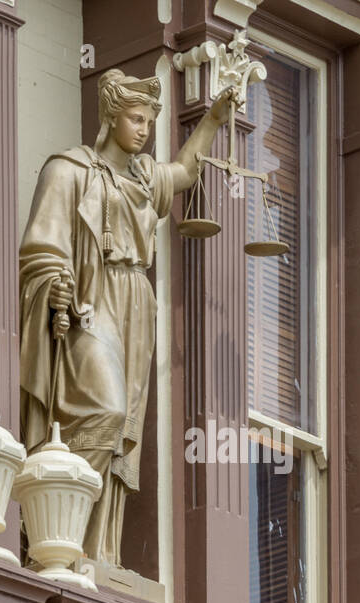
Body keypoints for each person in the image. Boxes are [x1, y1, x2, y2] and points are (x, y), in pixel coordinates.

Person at [18, 69, 239, 566]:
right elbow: (40, 246)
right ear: (111, 117)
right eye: (135, 119)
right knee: (103, 409)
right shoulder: (69, 170)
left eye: (149, 122)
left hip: (137, 303)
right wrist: (57, 281)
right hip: (91, 300)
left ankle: (98, 550)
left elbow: (184, 171)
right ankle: (57, 531)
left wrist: (213, 119)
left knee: (120, 437)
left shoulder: (143, 177)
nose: (143, 130)